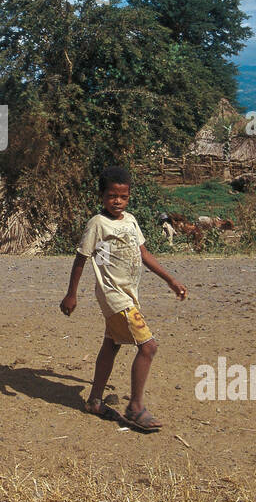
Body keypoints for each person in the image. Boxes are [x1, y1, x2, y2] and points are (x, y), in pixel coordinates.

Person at [59, 166, 187, 433]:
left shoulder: (130, 220)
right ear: (101, 196)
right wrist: (71, 294)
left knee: (112, 344)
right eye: (111, 196)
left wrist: (170, 280)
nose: (117, 201)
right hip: (113, 296)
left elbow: (143, 253)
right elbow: (81, 258)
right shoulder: (97, 224)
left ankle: (95, 401)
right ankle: (135, 407)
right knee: (148, 347)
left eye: (123, 196)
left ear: (129, 197)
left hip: (128, 294)